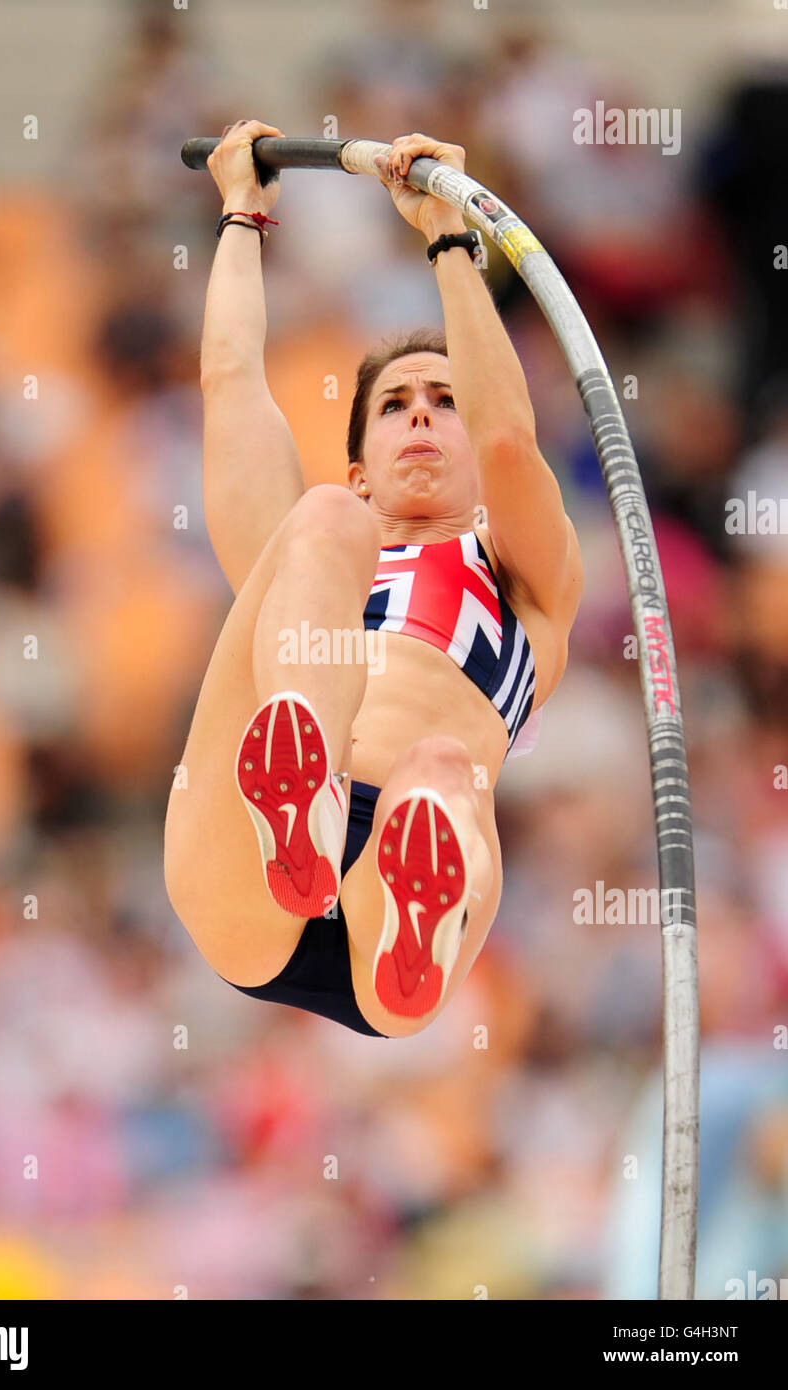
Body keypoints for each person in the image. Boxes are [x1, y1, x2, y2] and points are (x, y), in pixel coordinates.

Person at [164, 119, 583, 1040]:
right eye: (394, 406)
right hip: (245, 869)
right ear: (360, 460)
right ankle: (301, 799)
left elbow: (511, 439)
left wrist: (448, 237)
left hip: (402, 888)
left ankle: (407, 915)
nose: (423, 418)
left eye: (445, 403)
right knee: (316, 523)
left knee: (441, 767)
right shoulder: (319, 533)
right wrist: (241, 211)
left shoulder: (526, 586)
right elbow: (230, 377)